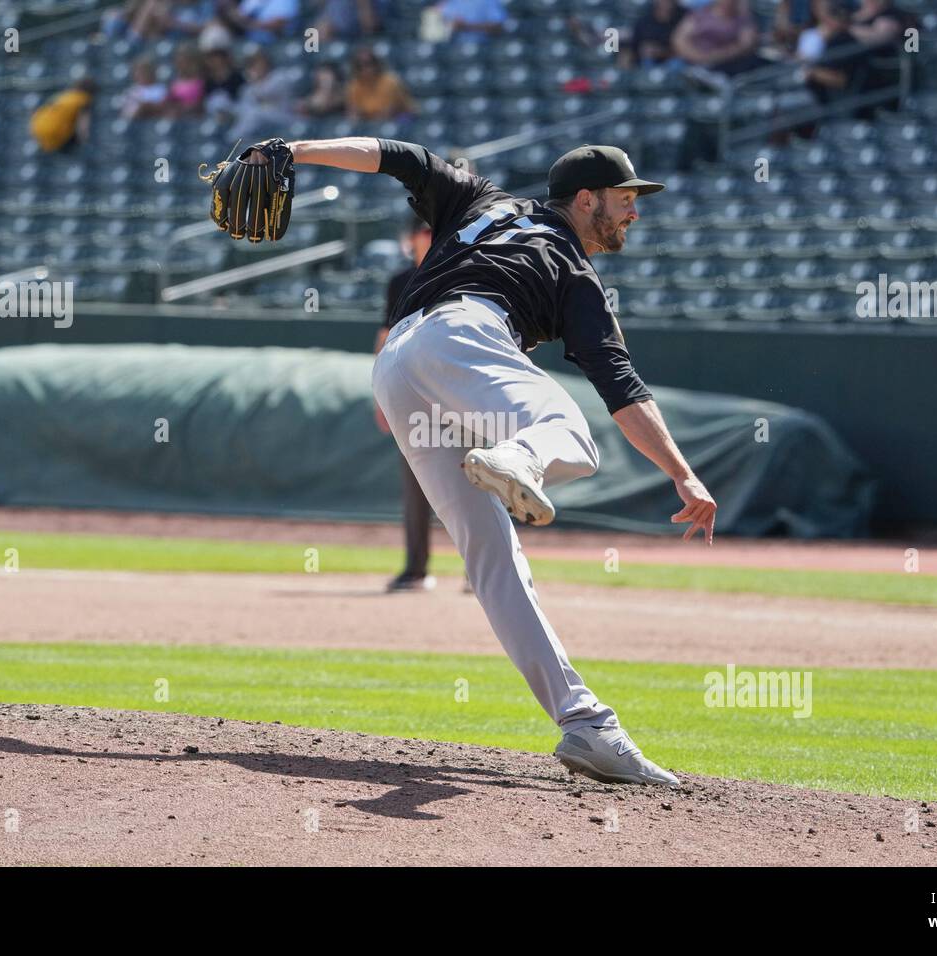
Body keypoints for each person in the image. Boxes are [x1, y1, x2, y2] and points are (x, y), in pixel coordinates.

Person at [244, 136, 717, 787]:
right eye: (626, 199)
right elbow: (622, 388)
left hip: (401, 362)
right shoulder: (577, 276)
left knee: (493, 556)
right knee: (571, 436)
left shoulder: (479, 199)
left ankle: (586, 724)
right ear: (587, 199)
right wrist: (682, 474)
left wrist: (292, 148)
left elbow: (396, 156)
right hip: (466, 332)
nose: (634, 212)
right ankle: (517, 455)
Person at [375, 215, 438, 592]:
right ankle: (416, 569)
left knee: (481, 478)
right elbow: (384, 336)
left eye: (435, 229)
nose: (428, 237)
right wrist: (380, 394)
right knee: (415, 485)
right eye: (424, 230)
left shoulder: (462, 272)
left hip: (458, 390)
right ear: (412, 237)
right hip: (412, 394)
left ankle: (480, 570)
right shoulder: (401, 282)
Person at [671, 0, 762, 75]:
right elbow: (679, 38)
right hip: (690, 61)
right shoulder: (700, 14)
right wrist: (697, 56)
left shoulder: (742, 20)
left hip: (723, 67)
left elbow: (745, 45)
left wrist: (716, 56)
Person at [345, 48, 417, 122]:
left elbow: (390, 111)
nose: (365, 70)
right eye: (360, 66)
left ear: (377, 65)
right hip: (368, 121)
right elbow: (353, 112)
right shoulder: (354, 85)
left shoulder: (390, 82)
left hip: (398, 117)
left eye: (369, 64)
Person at [29, 78, 96, 153]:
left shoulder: (65, 95)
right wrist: (84, 141)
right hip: (53, 130)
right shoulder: (83, 100)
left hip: (37, 125)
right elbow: (83, 126)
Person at [627, 0, 686, 67]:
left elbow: (687, 50)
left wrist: (661, 52)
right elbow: (633, 47)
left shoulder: (685, 17)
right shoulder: (644, 20)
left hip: (677, 61)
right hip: (648, 63)